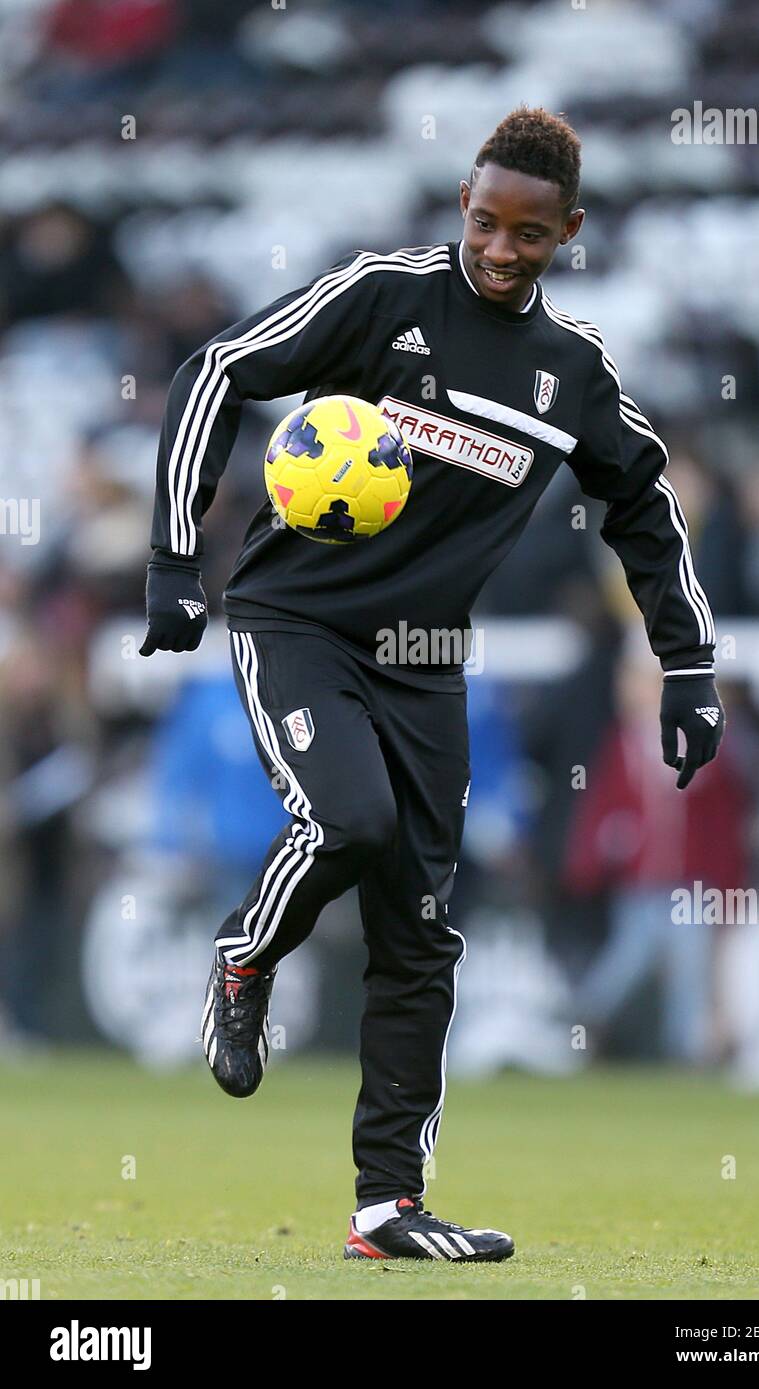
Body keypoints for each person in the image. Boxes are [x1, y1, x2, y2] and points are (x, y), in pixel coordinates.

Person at [139, 105, 725, 1263]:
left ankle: (387, 1208)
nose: (501, 248)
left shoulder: (573, 373)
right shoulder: (383, 295)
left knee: (418, 929)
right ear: (464, 202)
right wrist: (171, 559)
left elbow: (647, 509)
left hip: (427, 663)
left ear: (569, 232)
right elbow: (218, 370)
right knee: (348, 821)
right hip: (297, 624)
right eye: (486, 221)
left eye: (530, 233)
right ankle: (247, 952)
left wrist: (689, 665)